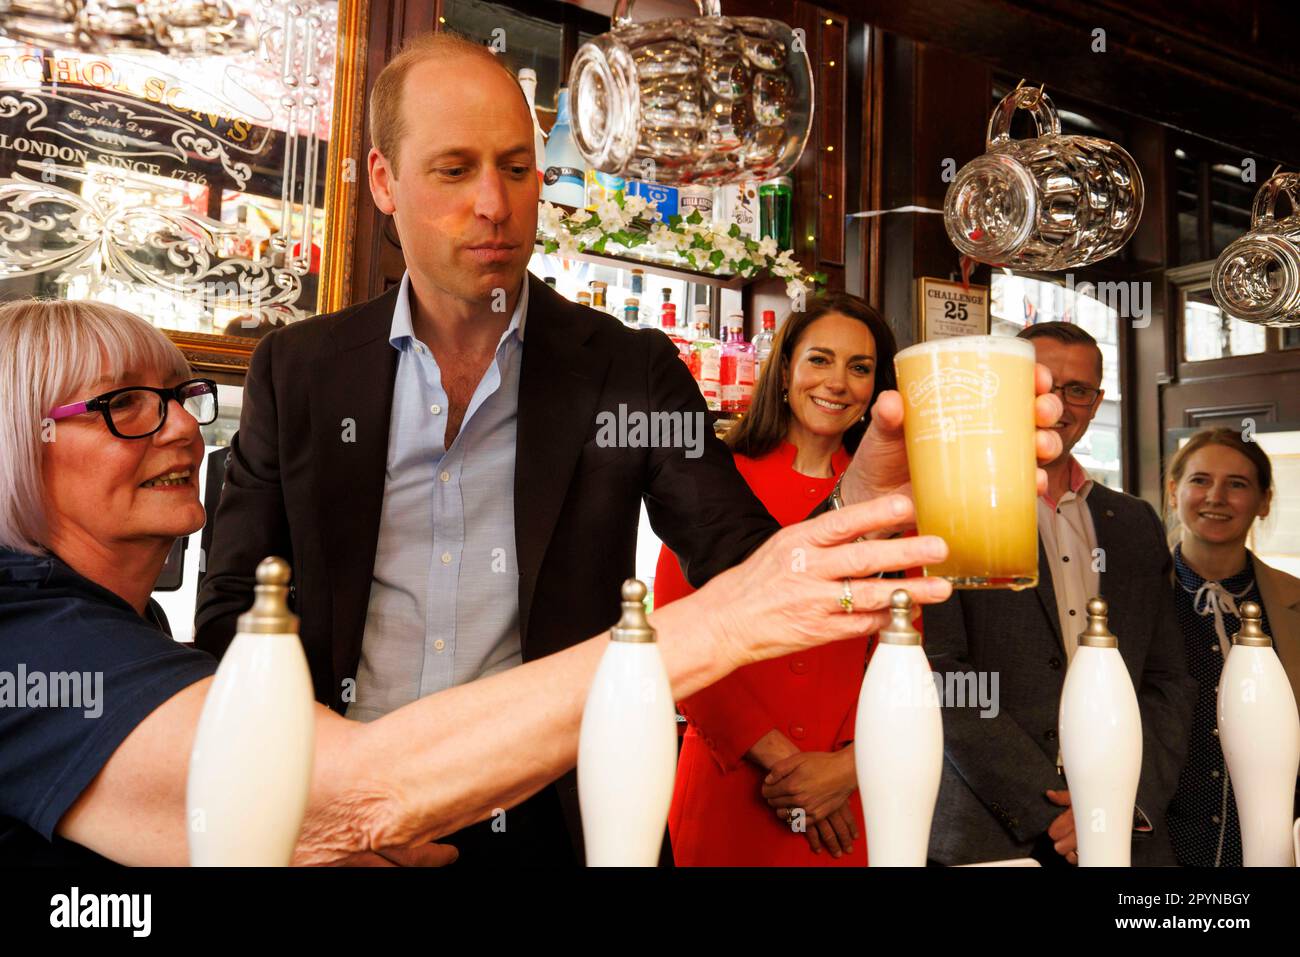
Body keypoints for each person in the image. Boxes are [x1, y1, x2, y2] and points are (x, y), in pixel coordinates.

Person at [0, 298, 959, 866]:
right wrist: (720, 626)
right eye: (125, 406)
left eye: (178, 399)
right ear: (385, 181)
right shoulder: (33, 639)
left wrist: (856, 507)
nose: (175, 429)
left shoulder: (109, 635)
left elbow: (739, 551)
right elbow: (322, 773)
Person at [922, 321, 1197, 866]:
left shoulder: (1134, 522)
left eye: (1079, 390)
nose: (1061, 404)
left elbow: (1168, 679)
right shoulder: (950, 503)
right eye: (1042, 384)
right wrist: (1052, 810)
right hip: (991, 833)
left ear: (1096, 404)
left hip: (1126, 831)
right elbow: (940, 672)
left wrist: (1127, 801)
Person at [655, 293, 905, 865]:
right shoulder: (716, 479)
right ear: (786, 368)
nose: (838, 383)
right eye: (820, 360)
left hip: (848, 796)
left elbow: (900, 652)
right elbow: (677, 639)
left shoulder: (893, 498)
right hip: (732, 782)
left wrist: (847, 768)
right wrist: (787, 767)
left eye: (859, 368)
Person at [1163, 428, 1300, 867]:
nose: (1216, 497)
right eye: (1200, 480)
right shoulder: (1135, 601)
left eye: (1237, 484)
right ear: (1173, 491)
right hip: (1159, 847)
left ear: (1263, 502)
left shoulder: (1296, 603)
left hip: (1273, 847)